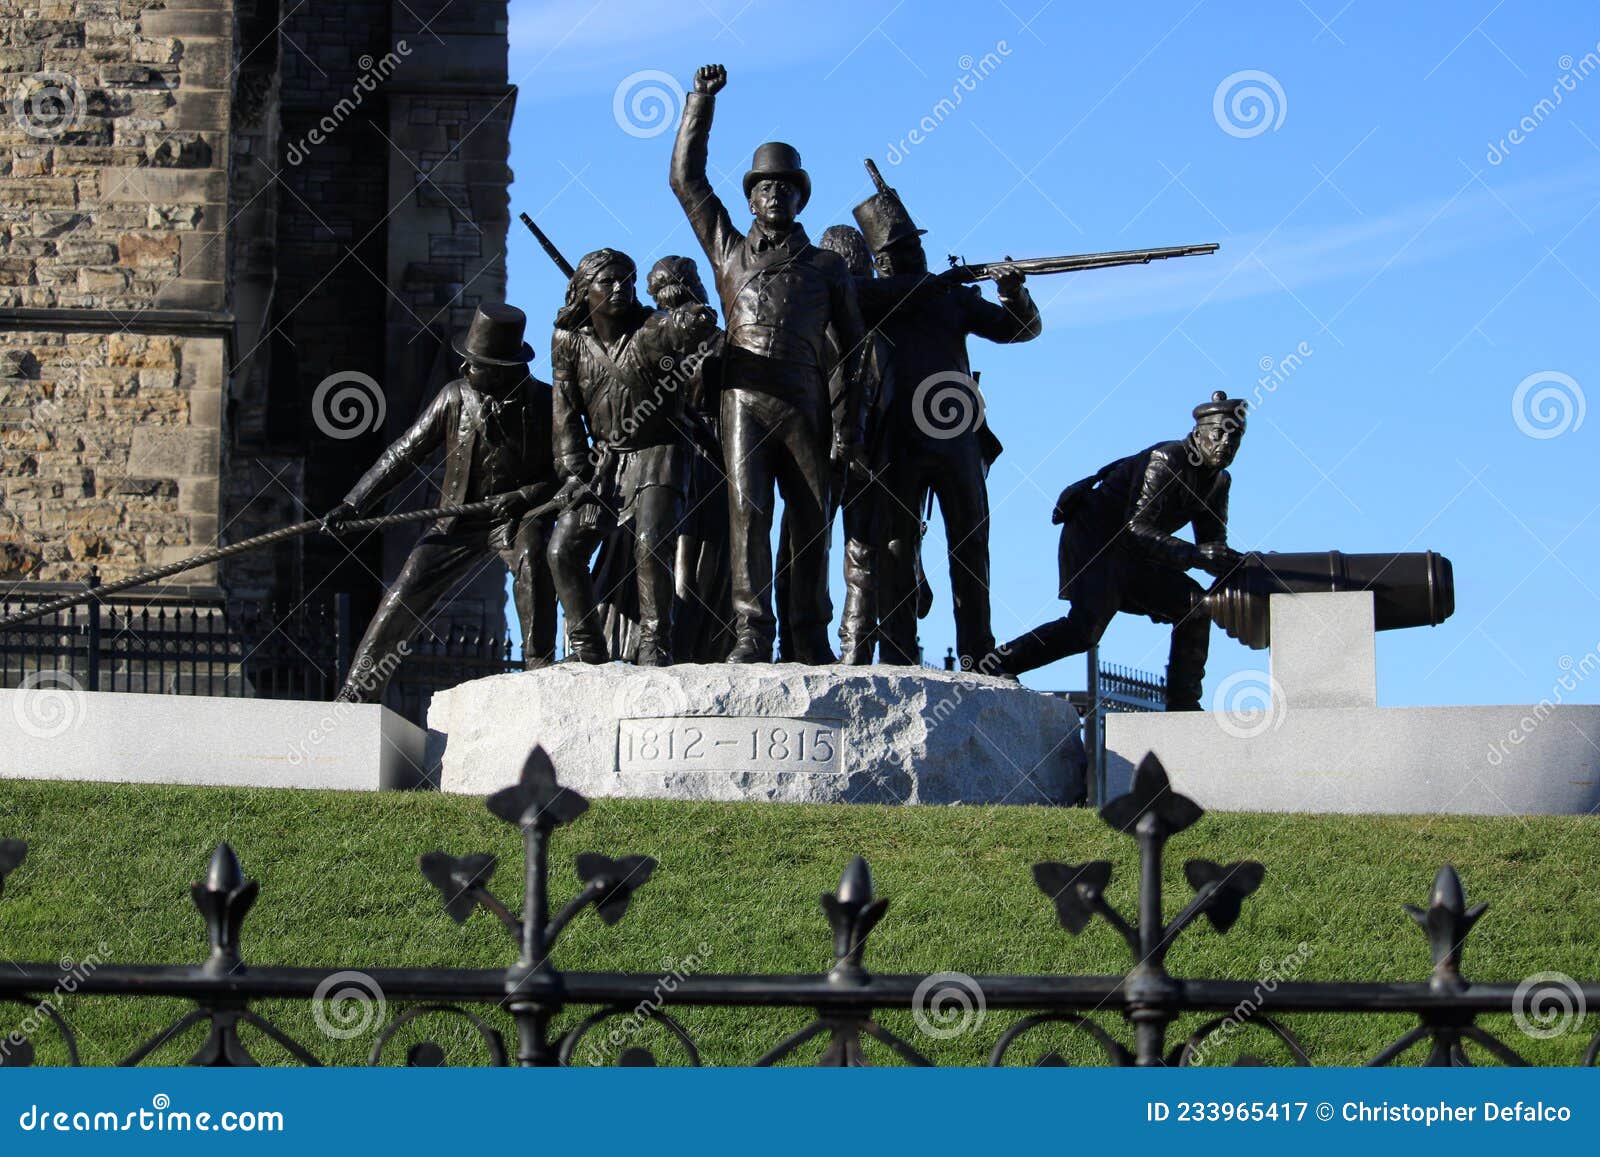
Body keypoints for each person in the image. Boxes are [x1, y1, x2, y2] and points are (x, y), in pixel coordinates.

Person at [669, 62, 869, 664]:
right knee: (747, 515)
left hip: (805, 398)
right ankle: (752, 631)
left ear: (800, 196)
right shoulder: (727, 248)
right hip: (743, 398)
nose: (773, 194)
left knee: (811, 522)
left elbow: (855, 352)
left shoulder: (827, 268)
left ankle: (807, 634)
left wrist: (848, 426)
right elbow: (686, 180)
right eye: (763, 187)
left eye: (785, 187)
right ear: (750, 198)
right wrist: (699, 103)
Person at [850, 175, 1040, 671]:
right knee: (896, 545)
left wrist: (1013, 295)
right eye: (900, 249)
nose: (912, 254)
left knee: (971, 541)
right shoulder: (871, 298)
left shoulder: (949, 298)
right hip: (898, 439)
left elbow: (1020, 330)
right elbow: (852, 302)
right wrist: (918, 288)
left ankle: (978, 650)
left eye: (913, 245)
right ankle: (895, 650)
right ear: (882, 261)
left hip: (957, 436)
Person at [324, 304, 558, 703]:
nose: (466, 369)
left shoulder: (546, 402)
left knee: (533, 561)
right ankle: (358, 693)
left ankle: (540, 670)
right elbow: (403, 454)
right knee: (405, 590)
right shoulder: (454, 397)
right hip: (456, 522)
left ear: (502, 368)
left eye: (476, 364)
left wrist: (525, 496)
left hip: (517, 517)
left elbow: (570, 472)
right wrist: (354, 503)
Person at [992, 391, 1248, 709]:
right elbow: (1138, 526)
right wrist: (1197, 556)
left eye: (1234, 437)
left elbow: (1212, 546)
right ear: (1198, 434)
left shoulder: (1219, 482)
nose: (1226, 443)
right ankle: (996, 664)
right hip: (1095, 541)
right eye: (1218, 434)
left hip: (1138, 553)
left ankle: (1183, 701)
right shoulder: (1167, 460)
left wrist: (1243, 566)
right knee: (1085, 629)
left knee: (1196, 606)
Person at [546, 248, 718, 666]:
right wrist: (575, 474)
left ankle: (656, 644)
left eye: (627, 279)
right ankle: (587, 645)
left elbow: (691, 327)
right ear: (584, 291)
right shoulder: (568, 341)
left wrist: (690, 312)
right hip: (606, 463)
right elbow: (565, 413)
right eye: (608, 281)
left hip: (661, 452)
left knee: (650, 543)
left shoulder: (650, 329)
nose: (621, 288)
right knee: (561, 549)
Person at [775, 224, 895, 664]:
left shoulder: (809, 323)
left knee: (800, 550)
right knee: (858, 556)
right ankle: (854, 651)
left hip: (821, 449)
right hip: (860, 450)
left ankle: (799, 647)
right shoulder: (879, 324)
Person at [648, 255, 734, 662]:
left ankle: (695, 641)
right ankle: (663, 637)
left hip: (711, 453)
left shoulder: (722, 342)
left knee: (706, 551)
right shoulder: (652, 344)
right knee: (665, 544)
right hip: (664, 453)